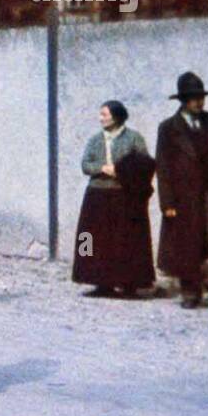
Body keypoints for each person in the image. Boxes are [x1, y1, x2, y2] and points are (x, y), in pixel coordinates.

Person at [155, 72, 208, 309]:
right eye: (193, 98)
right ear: (183, 100)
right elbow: (163, 167)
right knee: (188, 245)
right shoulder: (168, 128)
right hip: (185, 197)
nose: (199, 102)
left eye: (201, 97)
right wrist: (168, 203)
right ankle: (190, 292)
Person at [71, 102, 155, 299]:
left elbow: (144, 164)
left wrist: (121, 171)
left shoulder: (134, 138)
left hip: (124, 196)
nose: (100, 118)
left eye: (104, 114)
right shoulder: (94, 140)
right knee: (91, 238)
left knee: (127, 239)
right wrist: (102, 168)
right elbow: (85, 164)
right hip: (97, 195)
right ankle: (98, 281)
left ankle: (129, 284)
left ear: (116, 117)